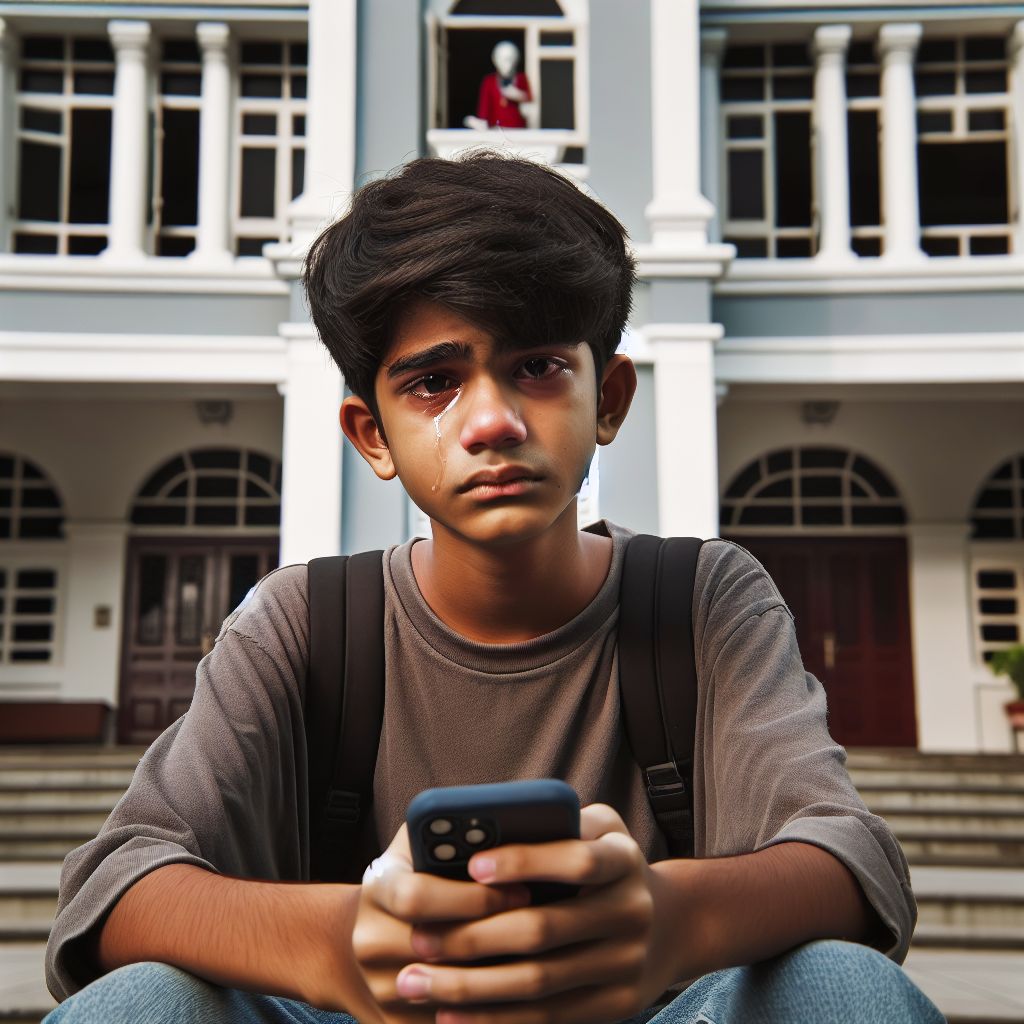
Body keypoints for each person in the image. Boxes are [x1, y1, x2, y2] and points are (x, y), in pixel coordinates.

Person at [42, 153, 945, 1024]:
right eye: (434, 382)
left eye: (538, 367)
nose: (493, 421)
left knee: (840, 984)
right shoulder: (305, 623)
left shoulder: (703, 600)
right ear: (372, 434)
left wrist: (668, 921)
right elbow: (113, 885)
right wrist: (340, 943)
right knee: (140, 1004)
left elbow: (850, 857)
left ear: (608, 398)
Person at [466, 41, 532, 129]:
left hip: (518, 131)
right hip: (496, 131)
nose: (507, 64)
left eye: (510, 59)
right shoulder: (489, 81)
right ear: (495, 60)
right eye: (503, 59)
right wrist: (480, 123)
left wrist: (519, 95)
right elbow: (484, 109)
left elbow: (531, 104)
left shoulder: (521, 79)